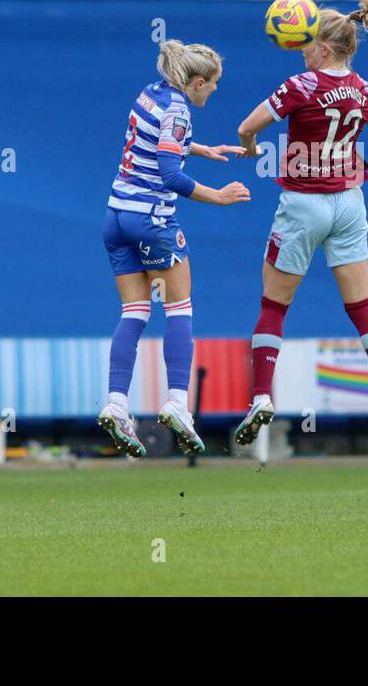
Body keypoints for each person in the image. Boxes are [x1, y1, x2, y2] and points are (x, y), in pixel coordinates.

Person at [231, 0, 368, 446]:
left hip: (303, 204)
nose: (300, 49)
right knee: (361, 306)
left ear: (323, 48)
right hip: (350, 203)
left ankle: (261, 398)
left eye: (307, 42)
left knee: (274, 306)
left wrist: (254, 147)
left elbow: (246, 126)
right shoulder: (366, 90)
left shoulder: (300, 86)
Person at [98, 40, 249, 457]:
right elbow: (168, 172)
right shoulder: (180, 109)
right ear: (197, 81)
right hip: (151, 220)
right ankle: (178, 403)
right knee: (179, 308)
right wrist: (217, 196)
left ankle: (116, 402)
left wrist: (202, 148)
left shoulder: (152, 91)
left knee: (134, 311)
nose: (215, 91)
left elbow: (154, 143)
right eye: (213, 84)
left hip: (116, 216)